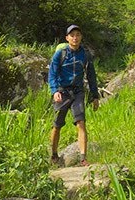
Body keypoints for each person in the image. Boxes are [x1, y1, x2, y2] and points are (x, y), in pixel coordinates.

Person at [48, 23, 99, 166]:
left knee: (81, 123)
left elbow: (91, 76)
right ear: (67, 38)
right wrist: (55, 91)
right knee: (57, 125)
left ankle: (83, 158)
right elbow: (52, 73)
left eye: (77, 35)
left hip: (77, 92)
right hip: (62, 92)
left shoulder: (85, 55)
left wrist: (95, 96)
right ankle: (53, 155)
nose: (75, 38)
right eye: (72, 35)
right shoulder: (61, 53)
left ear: (81, 37)